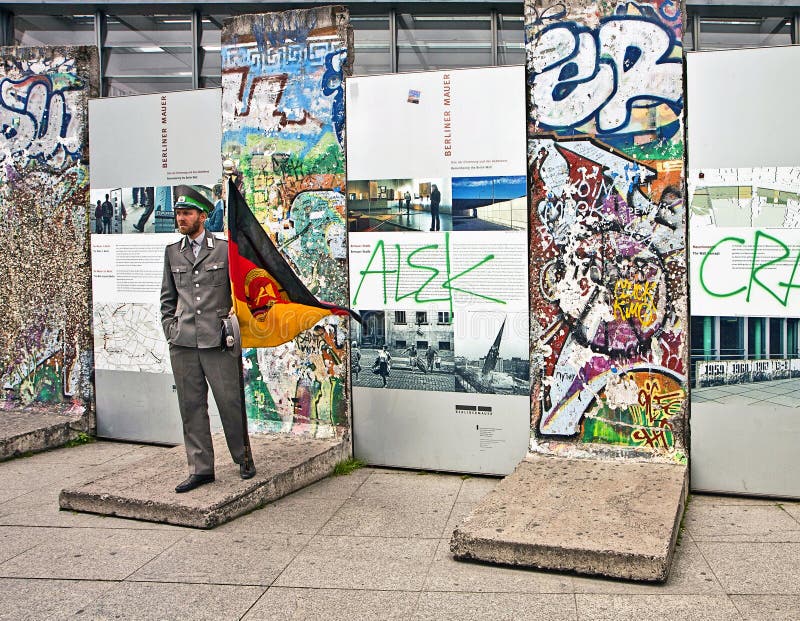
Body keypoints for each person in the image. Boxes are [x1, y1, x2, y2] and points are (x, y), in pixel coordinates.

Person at [160, 185, 255, 493]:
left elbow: (240, 290)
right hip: (184, 343)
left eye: (187, 213)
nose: (181, 219)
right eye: (178, 214)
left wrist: (234, 318)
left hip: (218, 341)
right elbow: (167, 299)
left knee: (230, 404)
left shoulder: (224, 250)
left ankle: (243, 458)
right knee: (191, 407)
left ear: (202, 216)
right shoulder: (172, 252)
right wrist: (171, 330)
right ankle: (201, 469)